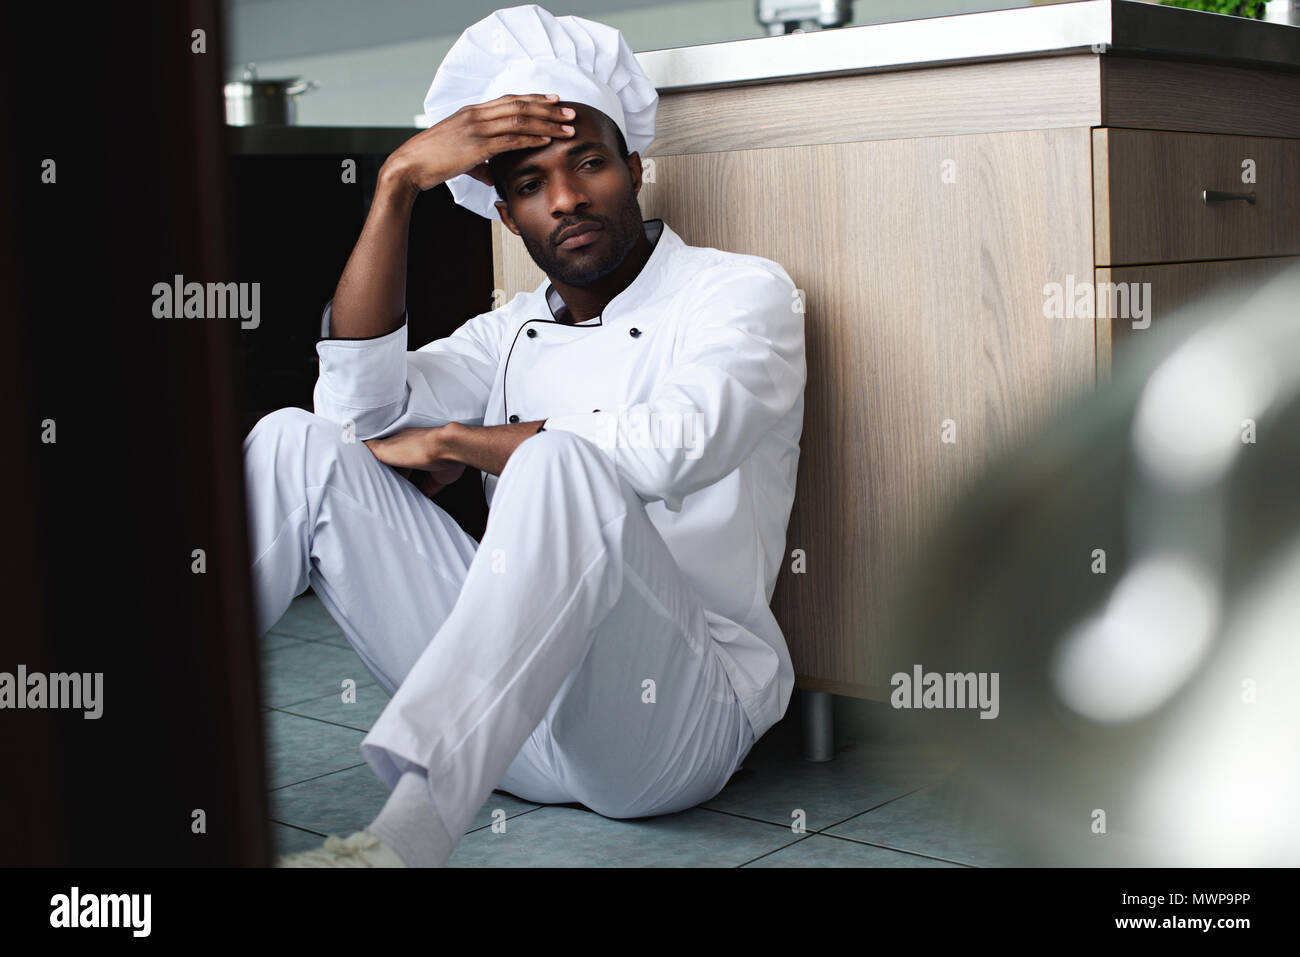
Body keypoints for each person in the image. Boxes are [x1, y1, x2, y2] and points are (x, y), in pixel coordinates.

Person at [249, 4, 806, 867]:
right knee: (290, 441)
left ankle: (399, 843)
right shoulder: (504, 331)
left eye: (590, 163)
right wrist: (397, 182)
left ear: (636, 167)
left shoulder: (739, 294)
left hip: (666, 729)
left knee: (557, 462)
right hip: (515, 735)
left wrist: (460, 442)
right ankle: (143, 744)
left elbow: (665, 448)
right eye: (530, 183)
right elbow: (353, 424)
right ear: (506, 215)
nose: (568, 198)